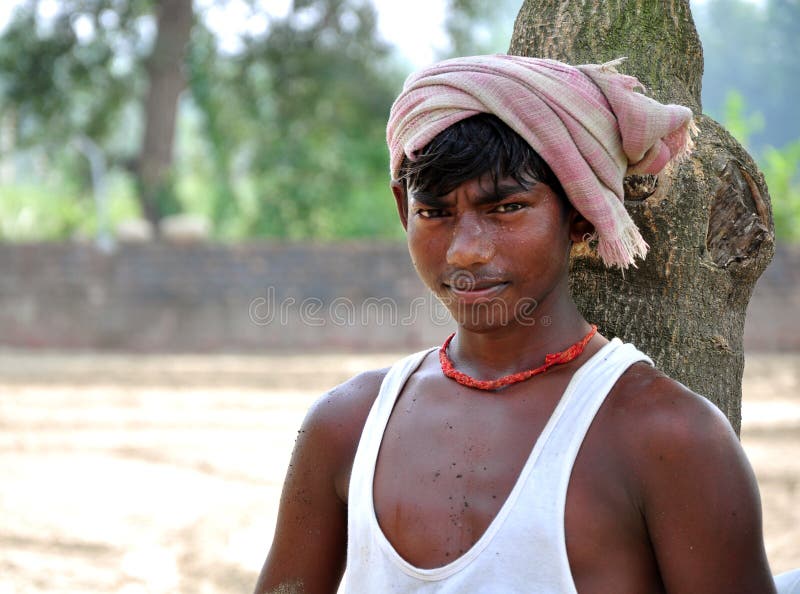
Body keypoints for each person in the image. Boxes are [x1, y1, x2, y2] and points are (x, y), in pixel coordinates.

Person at [254, 55, 791, 594]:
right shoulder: (347, 427)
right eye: (434, 213)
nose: (465, 252)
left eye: (506, 207)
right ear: (402, 209)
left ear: (580, 210)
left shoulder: (670, 440)